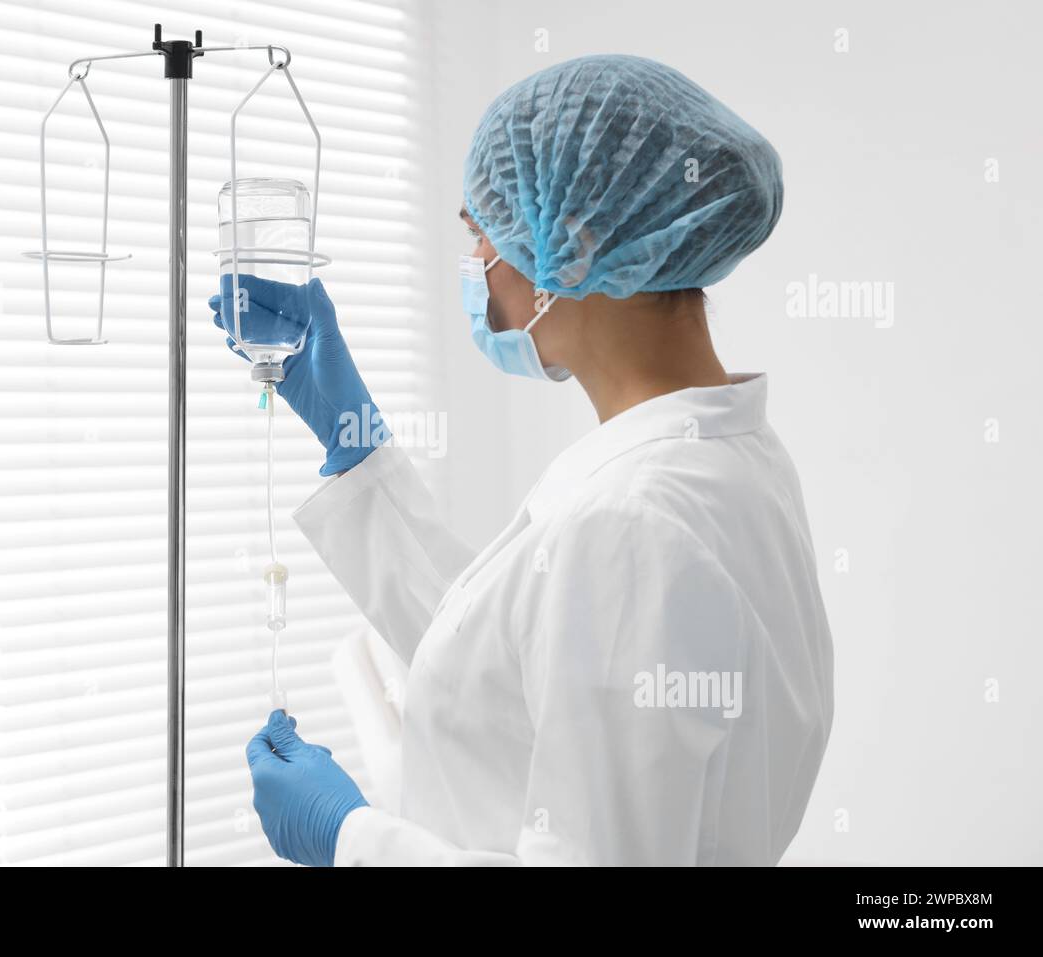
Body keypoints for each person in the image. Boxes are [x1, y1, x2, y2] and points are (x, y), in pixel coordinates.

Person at [214, 55, 833, 866]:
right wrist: (353, 444)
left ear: (569, 249)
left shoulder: (633, 520)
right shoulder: (721, 459)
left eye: (480, 228)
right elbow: (516, 660)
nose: (472, 264)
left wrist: (351, 838)